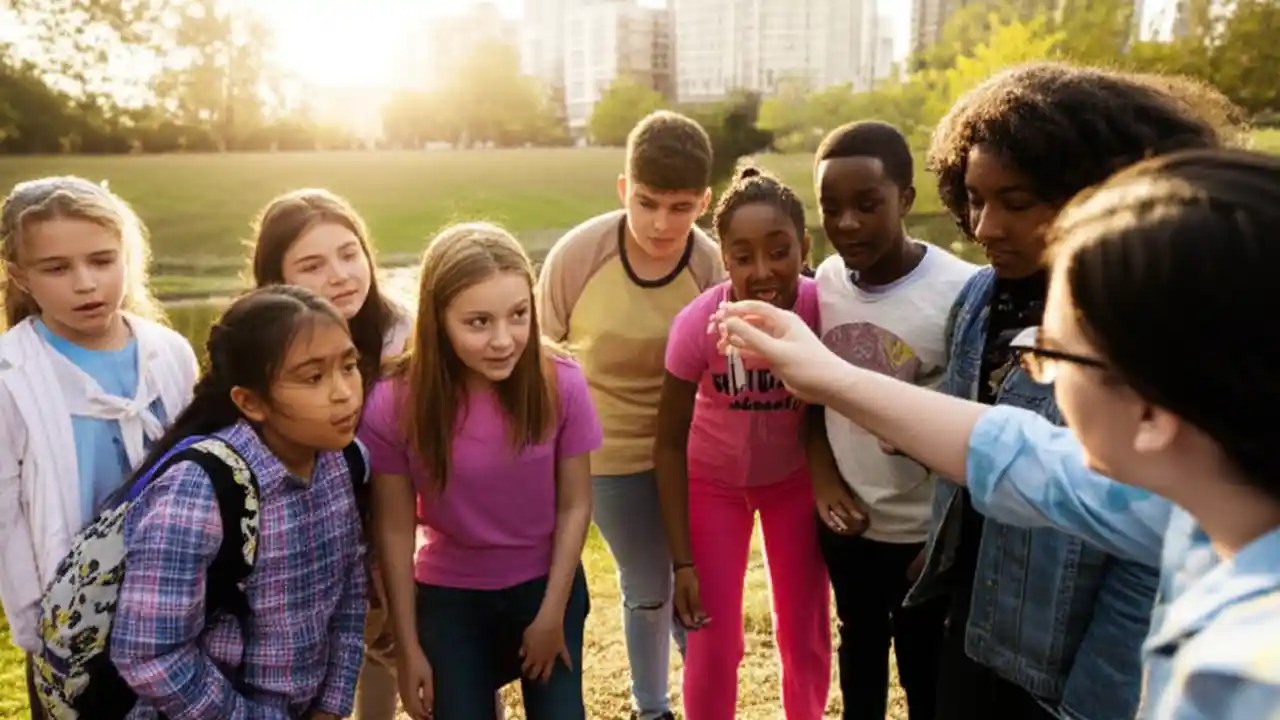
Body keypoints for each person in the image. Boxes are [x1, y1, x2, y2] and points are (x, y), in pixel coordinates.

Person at [713, 146, 1280, 720]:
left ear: (1153, 410)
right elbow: (1010, 449)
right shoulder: (1196, 497)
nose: (1038, 374)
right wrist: (828, 376)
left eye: (1048, 353)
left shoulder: (1240, 677)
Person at [910, 63, 1239, 719]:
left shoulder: (1146, 329)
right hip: (967, 627)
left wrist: (1096, 697)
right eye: (974, 199)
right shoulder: (977, 299)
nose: (984, 227)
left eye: (1017, 202)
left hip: (1062, 667)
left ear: (1098, 192)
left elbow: (1147, 549)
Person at [361, 223, 600, 720]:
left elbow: (576, 503)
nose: (502, 340)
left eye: (518, 315)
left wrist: (552, 613)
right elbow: (395, 528)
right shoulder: (392, 402)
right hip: (451, 599)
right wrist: (408, 649)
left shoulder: (563, 383)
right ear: (437, 319)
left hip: (544, 588)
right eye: (477, 322)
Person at [536, 110, 724, 720]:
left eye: (681, 207)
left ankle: (705, 696)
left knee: (695, 591)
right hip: (607, 453)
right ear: (623, 189)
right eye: (647, 203)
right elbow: (538, 361)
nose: (661, 223)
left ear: (705, 202)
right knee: (650, 584)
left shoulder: (710, 266)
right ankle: (652, 709)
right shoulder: (577, 257)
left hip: (693, 454)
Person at [110, 285, 369, 718]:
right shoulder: (201, 490)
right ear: (250, 402)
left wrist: (331, 706)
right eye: (312, 377)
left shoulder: (345, 461)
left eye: (349, 365)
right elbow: (148, 654)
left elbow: (350, 593)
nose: (344, 392)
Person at [0, 177, 197, 720]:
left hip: (173, 607)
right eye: (57, 269)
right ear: (21, 276)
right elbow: (5, 517)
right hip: (72, 625)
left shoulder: (169, 353)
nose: (86, 284)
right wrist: (39, 627)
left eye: (102, 260)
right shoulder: (11, 376)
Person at [806, 121, 976, 720]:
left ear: (906, 199)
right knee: (860, 646)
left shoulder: (961, 292)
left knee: (924, 666)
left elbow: (980, 423)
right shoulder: (824, 284)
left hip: (924, 539)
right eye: (831, 208)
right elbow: (808, 397)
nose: (847, 223)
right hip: (850, 526)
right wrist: (824, 484)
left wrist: (944, 535)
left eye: (867, 204)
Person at [655, 167, 830, 720]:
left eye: (779, 252)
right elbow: (666, 442)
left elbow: (833, 407)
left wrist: (827, 482)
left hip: (794, 484)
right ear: (723, 259)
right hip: (715, 486)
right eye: (743, 256)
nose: (763, 271)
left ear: (803, 247)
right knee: (712, 639)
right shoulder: (697, 325)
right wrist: (682, 561)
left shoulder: (821, 310)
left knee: (803, 633)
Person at [249, 188, 414, 720]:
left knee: (417, 659)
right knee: (340, 674)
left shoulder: (403, 335)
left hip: (401, 532)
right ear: (276, 280)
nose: (341, 275)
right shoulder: (258, 349)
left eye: (349, 253)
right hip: (307, 543)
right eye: (312, 265)